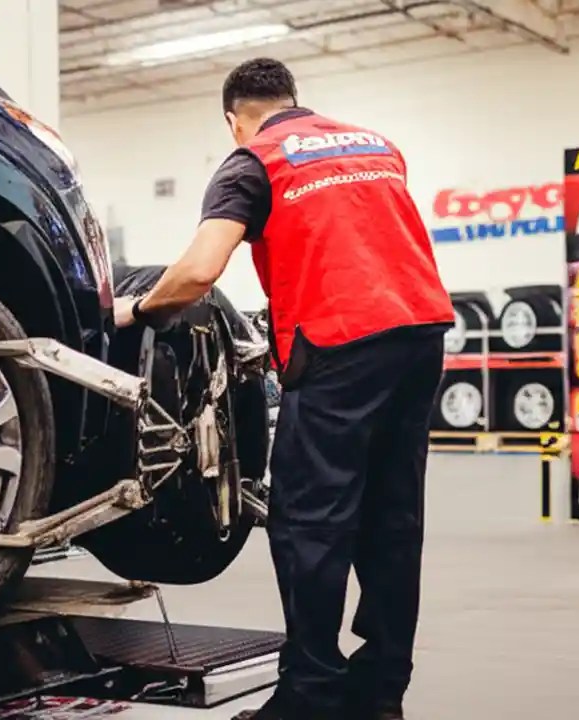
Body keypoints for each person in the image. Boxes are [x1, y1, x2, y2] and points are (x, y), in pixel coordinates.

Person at [114, 58, 454, 720]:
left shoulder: (255, 160)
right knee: (391, 520)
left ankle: (310, 695)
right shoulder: (374, 144)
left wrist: (137, 311)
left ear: (233, 119)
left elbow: (199, 272)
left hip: (340, 346)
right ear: (295, 100)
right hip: (420, 337)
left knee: (308, 525)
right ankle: (381, 692)